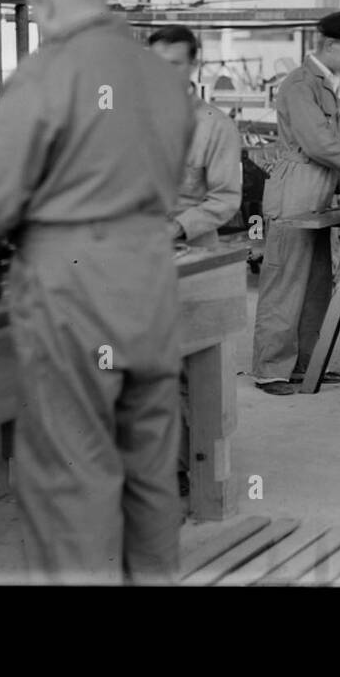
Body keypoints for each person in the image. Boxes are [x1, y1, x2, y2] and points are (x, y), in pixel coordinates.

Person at [0, 0, 195, 584]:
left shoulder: (48, 71)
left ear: (44, 6)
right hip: (150, 278)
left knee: (72, 466)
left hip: (72, 283)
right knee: (149, 464)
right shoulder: (163, 78)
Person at [251, 11, 340, 395]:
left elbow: (322, 149)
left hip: (317, 193)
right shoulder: (300, 85)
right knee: (285, 284)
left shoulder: (323, 85)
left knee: (315, 285)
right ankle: (270, 370)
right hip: (293, 194)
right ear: (329, 45)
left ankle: (305, 365)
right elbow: (316, 144)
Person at [147, 25, 243, 501]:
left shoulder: (214, 126)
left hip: (193, 257)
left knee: (191, 368)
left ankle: (187, 466)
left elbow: (226, 198)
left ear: (193, 66)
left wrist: (176, 227)